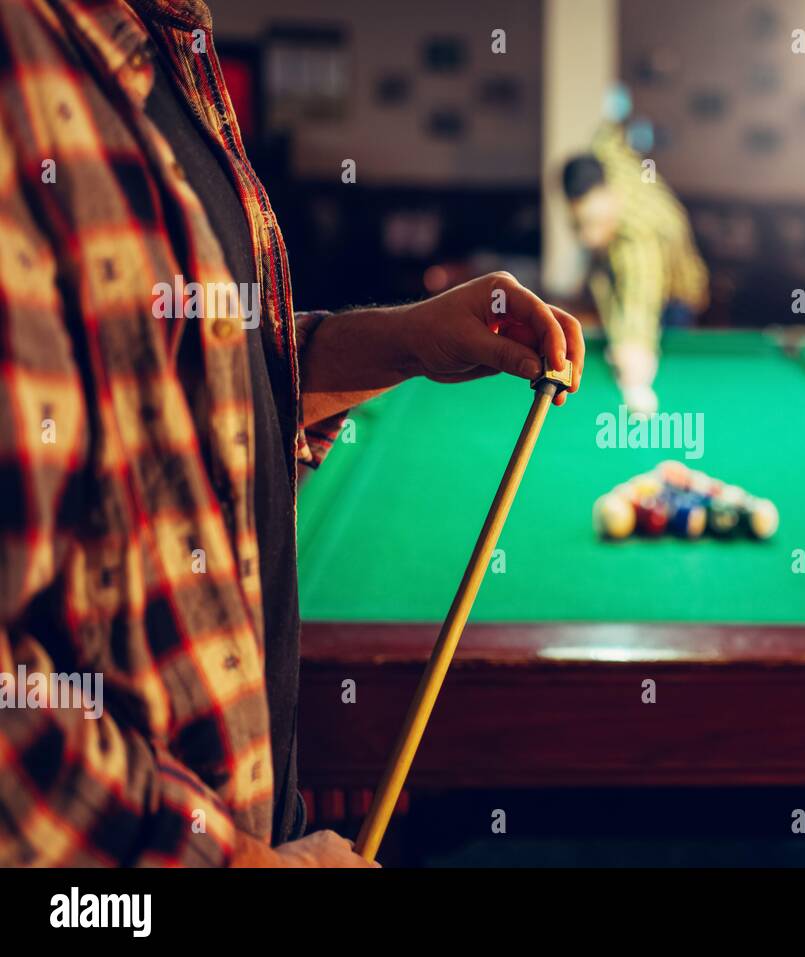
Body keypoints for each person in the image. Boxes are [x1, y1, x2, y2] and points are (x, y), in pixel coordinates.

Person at [0, 0, 582, 867]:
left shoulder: (168, 48)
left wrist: (396, 341)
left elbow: (174, 392)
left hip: (255, 799)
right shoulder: (22, 63)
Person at [562, 123, 708, 415]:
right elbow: (608, 136)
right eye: (579, 223)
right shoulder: (605, 163)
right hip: (637, 268)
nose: (585, 237)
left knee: (660, 363)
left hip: (676, 296)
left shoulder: (637, 237)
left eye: (591, 223)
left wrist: (634, 361)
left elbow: (639, 299)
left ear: (609, 198)